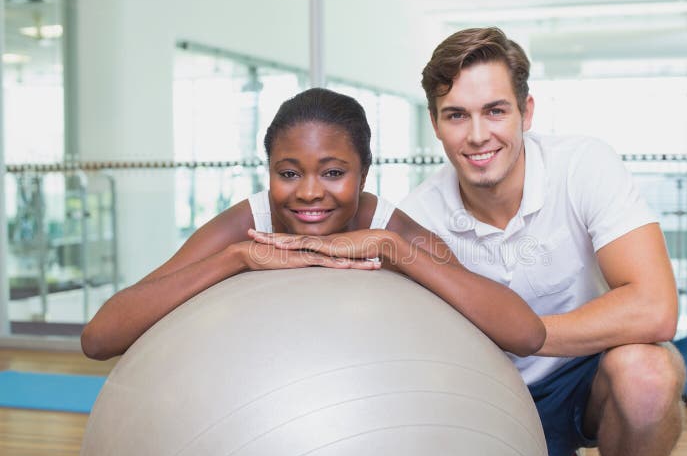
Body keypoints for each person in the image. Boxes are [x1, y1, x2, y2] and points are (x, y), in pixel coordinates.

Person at [399, 27, 686, 456]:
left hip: (588, 377)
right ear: (434, 123)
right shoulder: (418, 217)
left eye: (495, 111)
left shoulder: (583, 164)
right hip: (496, 395)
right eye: (456, 115)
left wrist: (521, 333)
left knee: (649, 373)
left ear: (526, 112)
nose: (477, 135)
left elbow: (656, 308)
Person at [81, 87, 545, 366]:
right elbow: (99, 339)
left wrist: (389, 246)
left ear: (364, 175)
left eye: (332, 172)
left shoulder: (388, 226)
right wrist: (235, 258)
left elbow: (525, 334)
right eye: (288, 173)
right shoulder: (249, 222)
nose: (307, 193)